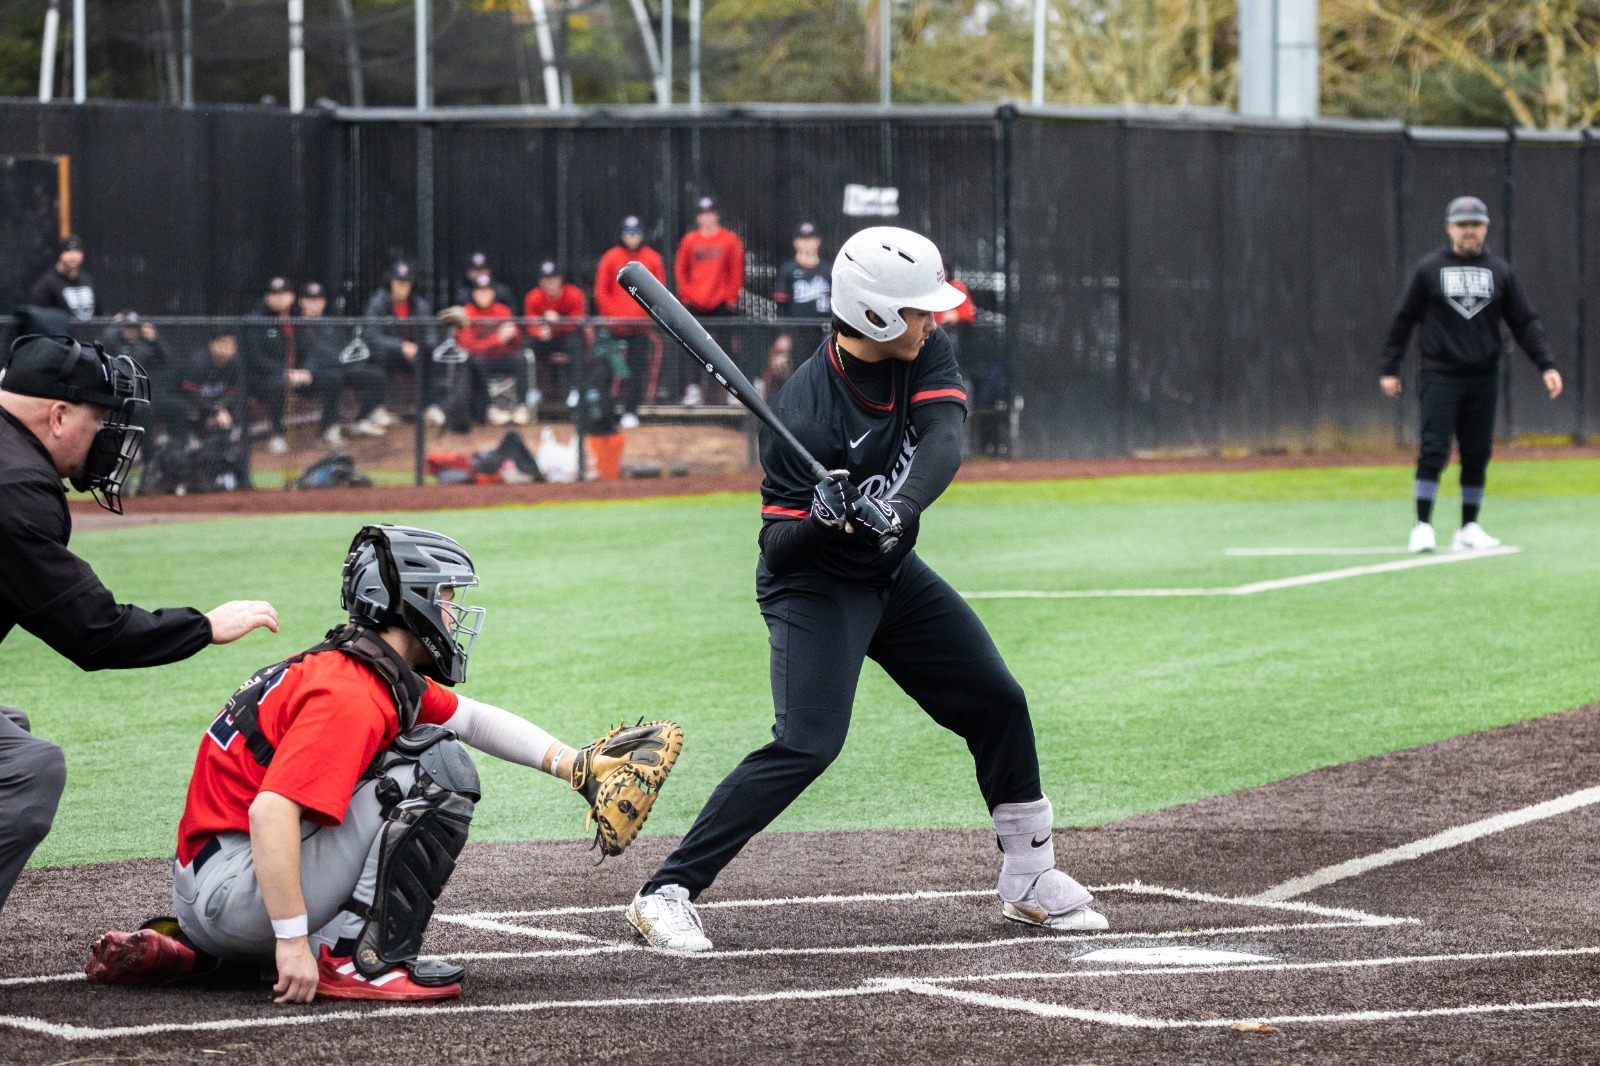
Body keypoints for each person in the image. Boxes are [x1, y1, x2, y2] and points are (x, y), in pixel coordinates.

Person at [624, 227, 1107, 952]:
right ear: (877, 317)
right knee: (808, 743)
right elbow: (779, 551)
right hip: (815, 588)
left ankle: (1030, 879)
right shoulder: (804, 413)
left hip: (889, 573)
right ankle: (666, 891)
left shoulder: (924, 350)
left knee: (997, 701)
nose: (933, 320)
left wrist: (900, 507)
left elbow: (944, 437)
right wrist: (822, 522)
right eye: (918, 310)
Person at [84, 525, 673, 1003]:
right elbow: (269, 813)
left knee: (424, 747)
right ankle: (356, 962)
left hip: (215, 886)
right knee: (436, 769)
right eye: (445, 599)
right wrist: (290, 944)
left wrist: (575, 767)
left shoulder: (356, 669)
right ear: (409, 602)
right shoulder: (351, 694)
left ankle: (205, 954)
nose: (452, 615)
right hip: (235, 888)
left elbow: (470, 717)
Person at [0, 335, 277, 913]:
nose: (109, 435)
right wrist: (202, 625)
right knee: (29, 769)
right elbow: (93, 631)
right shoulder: (19, 485)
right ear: (57, 415)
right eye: (100, 418)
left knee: (10, 725)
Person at [1380, 195, 1562, 553]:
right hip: (1440, 374)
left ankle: (1468, 527)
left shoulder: (1500, 272)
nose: (1469, 232)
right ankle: (1423, 525)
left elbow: (1524, 322)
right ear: (1450, 228)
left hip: (1483, 376)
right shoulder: (1429, 269)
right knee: (1434, 449)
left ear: (1485, 229)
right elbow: (1404, 319)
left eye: (1475, 226)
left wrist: (1546, 364)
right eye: (1463, 226)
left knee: (1477, 453)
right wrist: (1390, 367)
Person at [594, 215, 667, 428]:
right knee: (606, 370)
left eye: (636, 233)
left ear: (642, 235)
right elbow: (601, 291)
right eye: (628, 233)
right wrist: (613, 316)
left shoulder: (652, 258)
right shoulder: (610, 257)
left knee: (636, 369)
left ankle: (631, 411)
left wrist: (643, 315)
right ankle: (605, 411)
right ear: (622, 234)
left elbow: (657, 291)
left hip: (640, 327)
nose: (632, 237)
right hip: (614, 327)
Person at [673, 197, 745, 405]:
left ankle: (733, 390)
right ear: (698, 217)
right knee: (694, 347)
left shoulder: (729, 240)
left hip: (721, 302)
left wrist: (731, 297)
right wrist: (686, 295)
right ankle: (693, 390)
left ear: (717, 215)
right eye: (702, 213)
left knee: (725, 348)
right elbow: (680, 269)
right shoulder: (689, 240)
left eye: (710, 212)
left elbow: (736, 271)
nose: (707, 217)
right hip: (695, 302)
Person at [299, 281, 387, 447]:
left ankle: (360, 420)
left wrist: (353, 364)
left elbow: (344, 351)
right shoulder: (296, 325)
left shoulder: (331, 323)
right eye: (310, 299)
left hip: (339, 370)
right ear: (301, 301)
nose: (314, 303)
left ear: (324, 302)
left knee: (374, 375)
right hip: (310, 375)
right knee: (333, 379)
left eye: (318, 299)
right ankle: (328, 430)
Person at [360, 260, 432, 428]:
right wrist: (400, 345)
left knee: (431, 356)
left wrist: (419, 347)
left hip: (413, 355)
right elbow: (371, 336)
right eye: (399, 282)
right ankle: (376, 410)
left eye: (406, 283)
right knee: (375, 358)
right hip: (389, 354)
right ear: (390, 283)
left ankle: (427, 407)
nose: (403, 287)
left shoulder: (419, 304)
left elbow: (431, 334)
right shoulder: (378, 303)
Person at [100, 311, 185, 442]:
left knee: (172, 407)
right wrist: (112, 326)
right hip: (118, 394)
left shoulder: (146, 348)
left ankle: (151, 456)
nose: (131, 332)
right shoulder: (115, 345)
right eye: (128, 328)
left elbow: (166, 361)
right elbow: (101, 345)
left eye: (134, 328)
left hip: (143, 397)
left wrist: (155, 340)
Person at [453, 273, 526, 427]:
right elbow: (468, 346)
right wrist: (497, 339)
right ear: (473, 294)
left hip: (500, 358)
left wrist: (514, 334)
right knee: (476, 361)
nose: (484, 294)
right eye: (480, 291)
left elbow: (517, 343)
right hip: (479, 362)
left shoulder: (503, 310)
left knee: (520, 359)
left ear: (493, 292)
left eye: (487, 290)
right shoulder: (466, 313)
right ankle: (489, 408)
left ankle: (522, 408)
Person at [242, 277, 301, 455]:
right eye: (274, 294)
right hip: (258, 378)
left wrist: (307, 370)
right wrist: (285, 373)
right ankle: (276, 434)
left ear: (291, 296)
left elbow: (312, 348)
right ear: (267, 297)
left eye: (283, 294)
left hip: (294, 373)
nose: (279, 298)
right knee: (279, 382)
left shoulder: (297, 317)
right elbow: (255, 358)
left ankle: (329, 430)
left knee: (329, 376)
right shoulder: (255, 320)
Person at [523, 261, 587, 406]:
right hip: (545, 339)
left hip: (566, 337)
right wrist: (540, 331)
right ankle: (534, 390)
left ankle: (575, 390)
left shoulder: (574, 294)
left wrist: (557, 323)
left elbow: (577, 322)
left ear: (560, 279)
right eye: (546, 279)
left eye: (553, 278)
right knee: (530, 346)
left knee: (577, 344)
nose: (550, 283)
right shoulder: (533, 296)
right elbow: (530, 323)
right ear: (540, 281)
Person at [28, 235, 96, 321]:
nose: (73, 257)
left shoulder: (87, 280)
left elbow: (98, 314)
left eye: (77, 252)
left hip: (90, 333)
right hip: (61, 333)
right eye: (68, 252)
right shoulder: (46, 284)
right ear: (60, 255)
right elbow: (38, 318)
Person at [773, 222, 831, 320]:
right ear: (795, 242)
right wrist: (783, 332)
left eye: (811, 239)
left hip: (824, 328)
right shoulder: (787, 270)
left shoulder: (828, 270)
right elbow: (781, 306)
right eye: (803, 239)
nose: (807, 243)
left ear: (818, 241)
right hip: (796, 328)